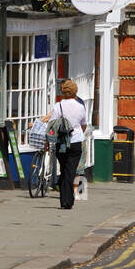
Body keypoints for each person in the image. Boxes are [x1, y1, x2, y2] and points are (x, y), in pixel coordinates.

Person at [46, 79, 87, 209]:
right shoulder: (80, 106)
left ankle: (65, 200)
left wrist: (48, 140)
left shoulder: (58, 106)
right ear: (75, 91)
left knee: (64, 170)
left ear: (63, 91)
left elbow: (52, 124)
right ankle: (68, 201)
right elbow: (83, 124)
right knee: (70, 171)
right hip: (75, 143)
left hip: (61, 142)